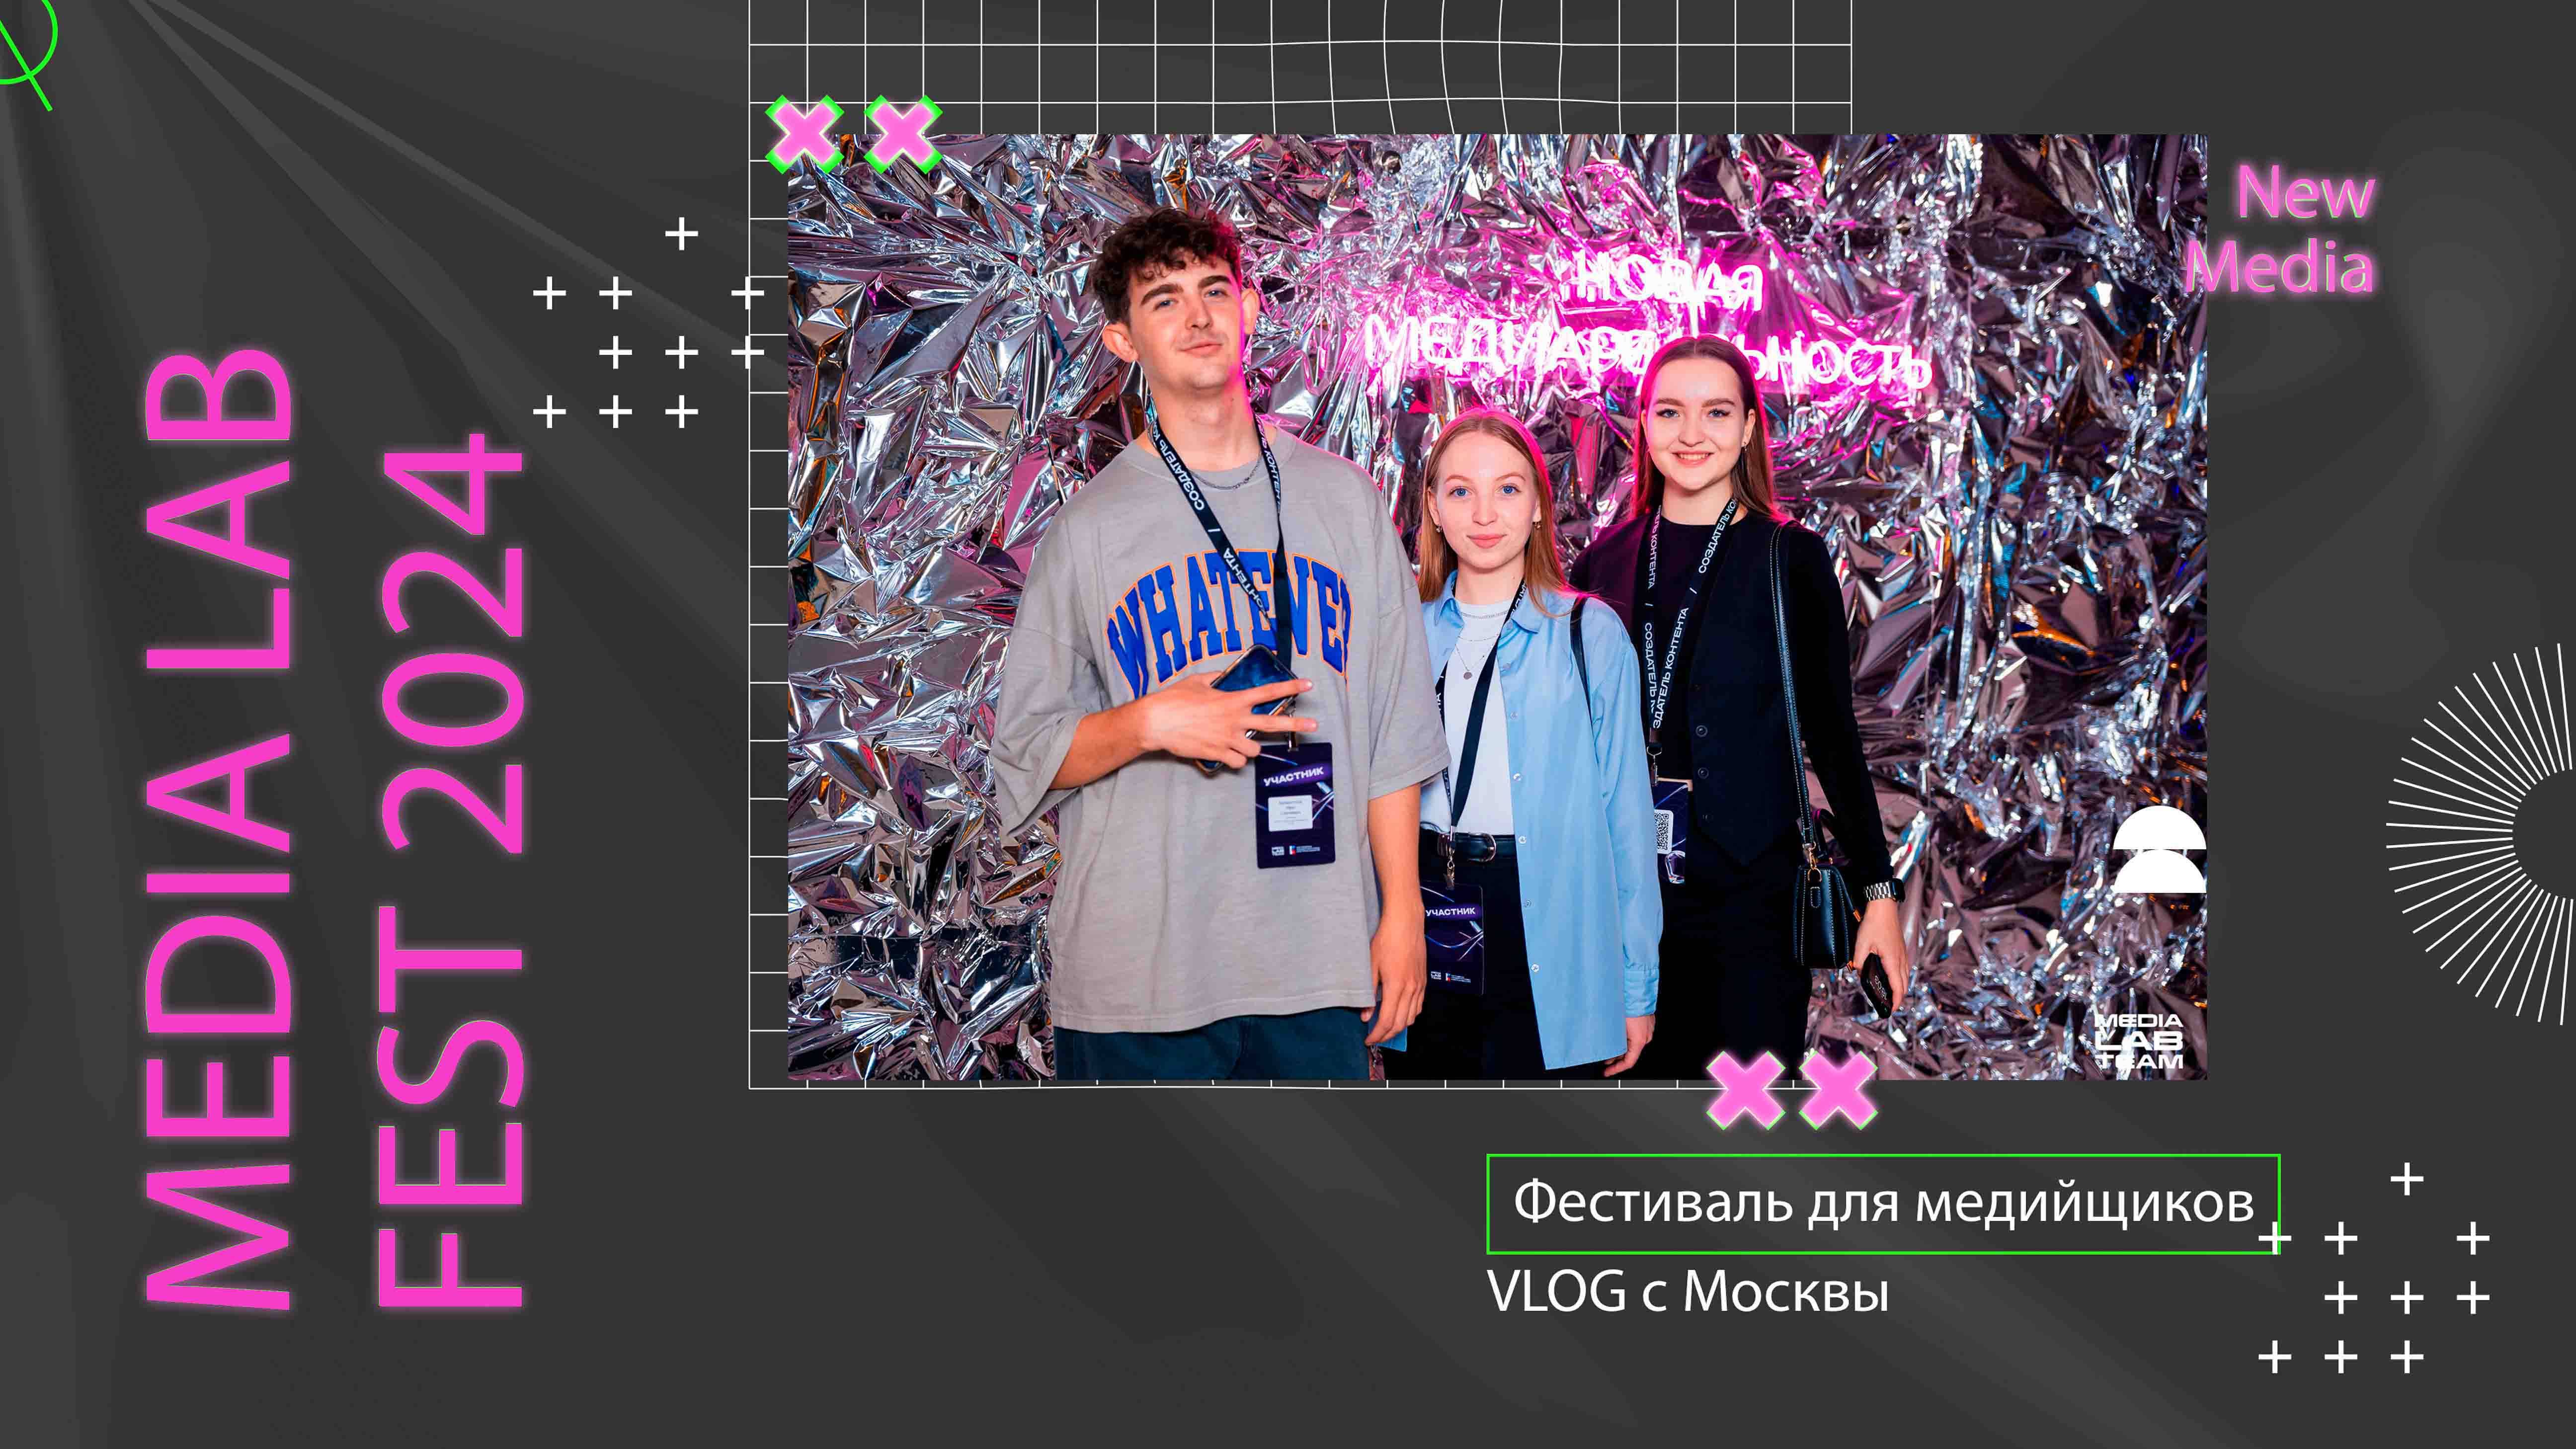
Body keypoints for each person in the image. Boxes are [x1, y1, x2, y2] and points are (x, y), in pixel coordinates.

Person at [988, 207, 1448, 1081]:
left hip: (1316, 965)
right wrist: (1152, 724)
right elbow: (1026, 752)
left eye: (1214, 291)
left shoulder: (1347, 501)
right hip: (1141, 982)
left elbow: (1395, 734)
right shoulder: (1088, 530)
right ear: (1123, 341)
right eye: (1164, 301)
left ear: (1249, 308)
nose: (1198, 317)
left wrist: (1402, 915)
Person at [1567, 335, 1909, 1082]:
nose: (1692, 434)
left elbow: (1834, 737)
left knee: (1740, 1122)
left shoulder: (1792, 558)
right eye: (1670, 412)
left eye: (1717, 412)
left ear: (1750, 426)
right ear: (1644, 425)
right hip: (1619, 900)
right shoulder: (1602, 563)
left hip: (1752, 906)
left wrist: (1880, 893)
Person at [1385, 408, 1661, 1080]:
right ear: (1433, 509)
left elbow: (1628, 823)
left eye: (1508, 489)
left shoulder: (1590, 632)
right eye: (1461, 491)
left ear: (1539, 505)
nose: (1485, 513)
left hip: (1548, 911)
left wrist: (1636, 988)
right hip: (1425, 901)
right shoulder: (1402, 633)